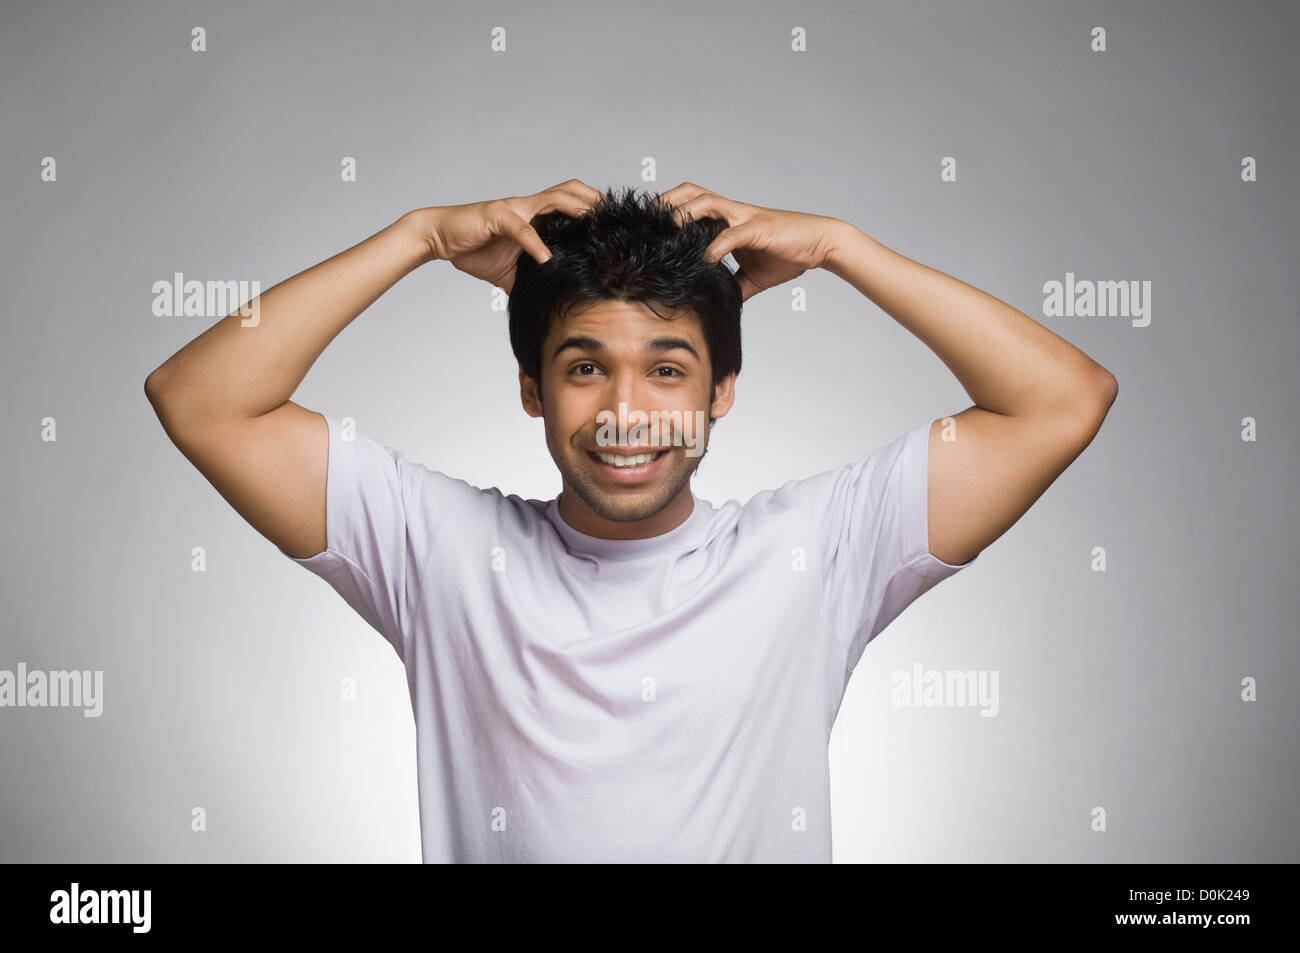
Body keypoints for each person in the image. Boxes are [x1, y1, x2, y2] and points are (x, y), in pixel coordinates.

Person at [144, 180, 1117, 862]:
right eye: (583, 367)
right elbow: (201, 398)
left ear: (721, 389)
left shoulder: (814, 551)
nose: (624, 410)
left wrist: (840, 247)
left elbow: (1062, 397)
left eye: (666, 368)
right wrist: (416, 238)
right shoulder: (438, 548)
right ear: (532, 390)